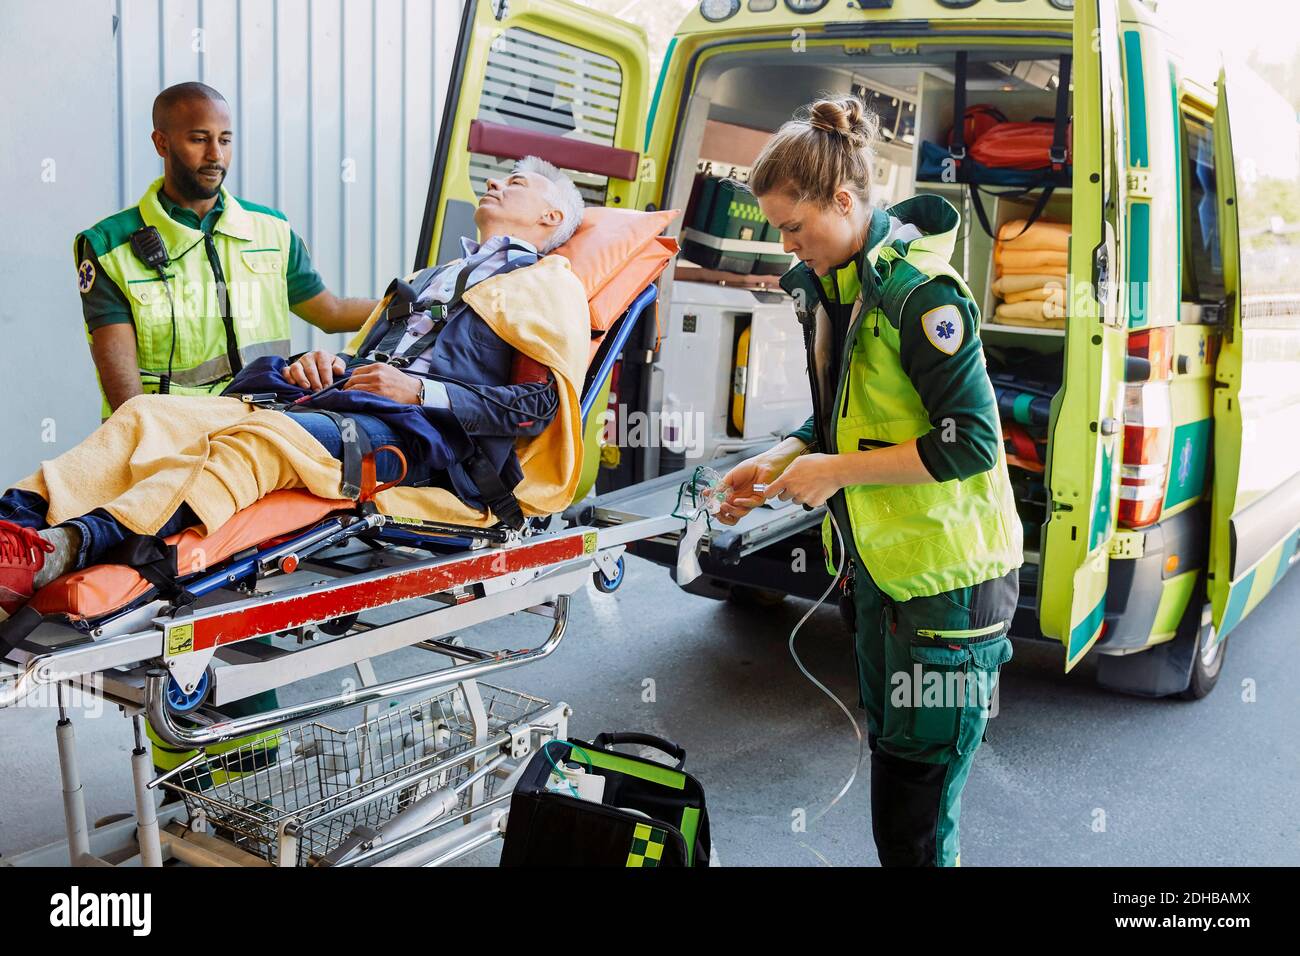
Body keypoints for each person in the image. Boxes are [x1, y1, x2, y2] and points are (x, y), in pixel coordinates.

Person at [2, 155, 585, 619]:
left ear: (550, 219)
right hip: (348, 402)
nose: (491, 182)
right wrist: (322, 362)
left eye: (514, 181)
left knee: (260, 440)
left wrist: (417, 392)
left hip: (424, 440)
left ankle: (69, 547)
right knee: (152, 415)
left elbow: (535, 410)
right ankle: (15, 526)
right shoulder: (433, 278)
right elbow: (365, 355)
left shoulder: (546, 285)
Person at [717, 97, 1023, 867]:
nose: (787, 245)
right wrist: (780, 461)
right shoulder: (836, 290)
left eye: (794, 226)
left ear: (845, 202)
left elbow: (974, 442)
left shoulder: (921, 296)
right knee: (899, 808)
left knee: (915, 826)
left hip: (950, 584)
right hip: (888, 580)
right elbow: (841, 427)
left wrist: (833, 473)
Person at [76, 81, 378, 420]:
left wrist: (415, 303)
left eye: (225, 140)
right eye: (199, 139)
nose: (215, 155)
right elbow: (125, 402)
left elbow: (331, 312)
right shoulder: (109, 247)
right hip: (169, 441)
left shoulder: (272, 230)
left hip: (262, 432)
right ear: (162, 143)